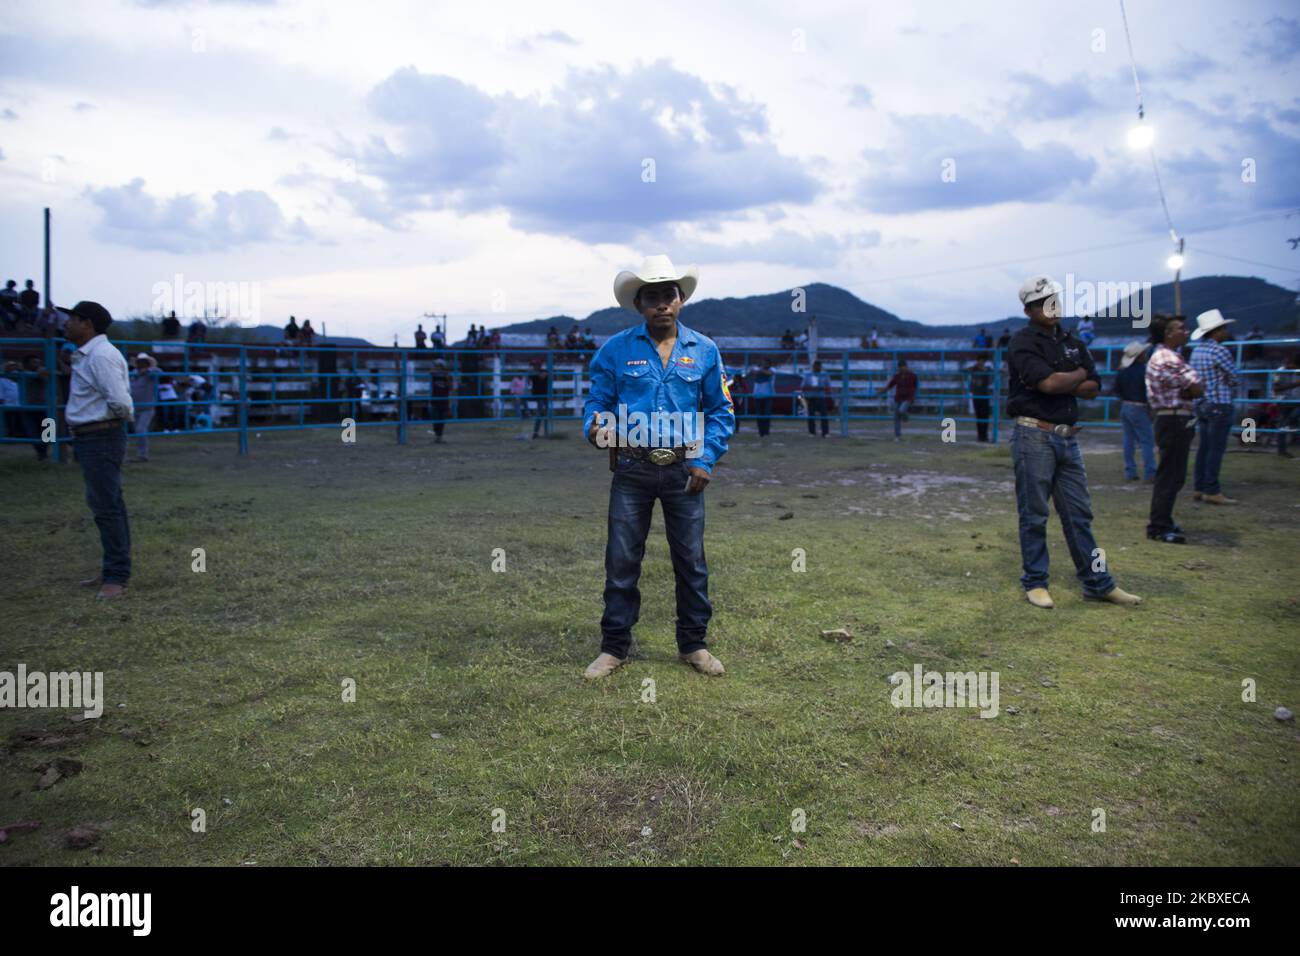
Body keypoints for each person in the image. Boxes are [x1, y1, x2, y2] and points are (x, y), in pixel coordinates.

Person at [582, 254, 735, 680]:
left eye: (668, 296)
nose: (661, 305)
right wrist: (593, 427)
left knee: (691, 560)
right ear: (640, 305)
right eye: (651, 298)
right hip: (632, 470)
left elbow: (721, 411)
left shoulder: (704, 350)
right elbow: (597, 403)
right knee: (622, 558)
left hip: (685, 472)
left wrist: (706, 459)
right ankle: (614, 647)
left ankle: (694, 644)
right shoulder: (615, 351)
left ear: (681, 299)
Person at [1006, 274, 1141, 609]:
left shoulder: (1072, 342)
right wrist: (1076, 375)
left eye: (1053, 299)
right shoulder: (1023, 342)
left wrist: (1067, 379)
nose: (1050, 307)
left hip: (1068, 437)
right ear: (1028, 310)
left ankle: (1098, 582)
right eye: (1041, 303)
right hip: (1034, 434)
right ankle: (1035, 582)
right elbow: (1051, 384)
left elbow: (1094, 388)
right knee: (1035, 514)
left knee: (1080, 515)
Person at [58, 301, 134, 600]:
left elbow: (120, 401)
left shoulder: (101, 356)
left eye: (72, 320)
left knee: (107, 507)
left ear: (86, 323)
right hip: (94, 436)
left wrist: (112, 423)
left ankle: (116, 576)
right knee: (109, 504)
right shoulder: (90, 355)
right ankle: (113, 570)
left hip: (101, 435)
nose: (67, 324)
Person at [1144, 315, 1202, 544]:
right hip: (1173, 419)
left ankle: (1163, 520)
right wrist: (1190, 390)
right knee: (1170, 475)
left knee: (1174, 474)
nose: (1186, 332)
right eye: (1181, 328)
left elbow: (1194, 388)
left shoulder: (1169, 356)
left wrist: (1190, 389)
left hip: (1174, 418)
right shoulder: (1167, 358)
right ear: (1168, 333)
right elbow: (1197, 387)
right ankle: (1159, 525)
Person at [1189, 309, 1240, 505]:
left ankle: (1199, 486)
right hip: (1219, 402)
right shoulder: (1219, 350)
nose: (1226, 332)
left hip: (1201, 402)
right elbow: (1234, 378)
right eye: (1224, 328)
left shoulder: (1197, 350)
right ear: (1216, 331)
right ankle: (1211, 489)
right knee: (1216, 448)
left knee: (1204, 447)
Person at [1112, 341, 1156, 482]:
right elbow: (1149, 392)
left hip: (1126, 406)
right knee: (1146, 441)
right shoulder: (1145, 371)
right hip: (1139, 406)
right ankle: (1150, 473)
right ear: (1141, 355)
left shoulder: (1122, 371)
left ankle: (1130, 472)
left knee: (1128, 440)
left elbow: (1116, 390)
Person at [128, 353, 159, 462]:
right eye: (139, 362)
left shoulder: (151, 374)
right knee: (137, 430)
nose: (140, 364)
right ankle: (140, 453)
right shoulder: (133, 374)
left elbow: (159, 372)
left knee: (141, 430)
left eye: (143, 362)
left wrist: (148, 370)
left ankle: (143, 454)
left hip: (147, 407)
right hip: (134, 407)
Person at [1273, 353, 1300, 458]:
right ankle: (1281, 450)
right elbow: (1276, 388)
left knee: (1285, 423)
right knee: (1283, 424)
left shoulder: (1298, 370)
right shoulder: (1279, 371)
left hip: (1297, 401)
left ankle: (1289, 425)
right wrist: (1296, 384)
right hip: (1284, 400)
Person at [883, 359, 918, 440]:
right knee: (896, 417)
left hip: (908, 398)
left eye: (903, 367)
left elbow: (915, 387)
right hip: (898, 398)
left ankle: (906, 417)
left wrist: (913, 396)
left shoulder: (912, 376)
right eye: (900, 367)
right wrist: (882, 390)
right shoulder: (897, 376)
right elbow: (890, 385)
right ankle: (897, 436)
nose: (902, 369)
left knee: (901, 411)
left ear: (906, 367)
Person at [966, 355, 993, 442]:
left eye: (982, 361)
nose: (980, 363)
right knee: (979, 417)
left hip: (985, 396)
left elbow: (994, 373)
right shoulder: (974, 369)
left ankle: (984, 436)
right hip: (976, 396)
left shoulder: (987, 369)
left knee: (985, 416)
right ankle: (980, 436)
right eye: (979, 361)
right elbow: (964, 370)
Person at [801, 359, 831, 437]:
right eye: (815, 365)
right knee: (811, 415)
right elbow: (803, 387)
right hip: (811, 397)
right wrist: (811, 388)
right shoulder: (808, 375)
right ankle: (812, 432)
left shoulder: (825, 375)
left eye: (819, 365)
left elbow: (828, 387)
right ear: (813, 366)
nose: (817, 367)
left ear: (821, 367)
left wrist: (822, 389)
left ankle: (825, 432)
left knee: (824, 415)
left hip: (821, 397)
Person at [749, 359, 775, 437]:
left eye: (766, 363)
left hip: (768, 395)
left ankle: (766, 432)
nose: (764, 365)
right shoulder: (758, 369)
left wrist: (760, 370)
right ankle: (761, 432)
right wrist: (760, 370)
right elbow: (751, 372)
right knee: (759, 415)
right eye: (763, 363)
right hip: (757, 395)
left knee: (767, 414)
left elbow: (769, 373)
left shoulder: (772, 369)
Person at [428, 360, 451, 442]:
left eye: (440, 367)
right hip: (435, 400)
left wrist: (445, 373)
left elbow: (450, 386)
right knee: (436, 419)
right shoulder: (434, 375)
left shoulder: (447, 375)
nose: (439, 369)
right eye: (438, 367)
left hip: (444, 401)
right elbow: (431, 372)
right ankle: (437, 436)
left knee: (441, 420)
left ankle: (439, 437)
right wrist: (436, 367)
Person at [529, 360, 549, 439]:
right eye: (534, 365)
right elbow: (540, 376)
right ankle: (536, 432)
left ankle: (544, 432)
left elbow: (544, 375)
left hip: (545, 394)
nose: (535, 366)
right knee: (540, 413)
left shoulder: (543, 371)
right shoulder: (532, 373)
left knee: (545, 413)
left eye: (536, 365)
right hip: (538, 395)